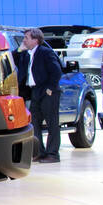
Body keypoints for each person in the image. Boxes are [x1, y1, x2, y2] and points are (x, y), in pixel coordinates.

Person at [14, 27, 62, 163]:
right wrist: (20, 49)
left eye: (26, 38)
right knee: (35, 122)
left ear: (35, 40)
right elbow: (12, 58)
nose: (24, 41)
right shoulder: (25, 54)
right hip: (34, 91)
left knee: (52, 123)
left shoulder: (45, 53)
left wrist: (50, 88)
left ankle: (52, 154)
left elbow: (56, 71)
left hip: (48, 91)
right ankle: (39, 152)